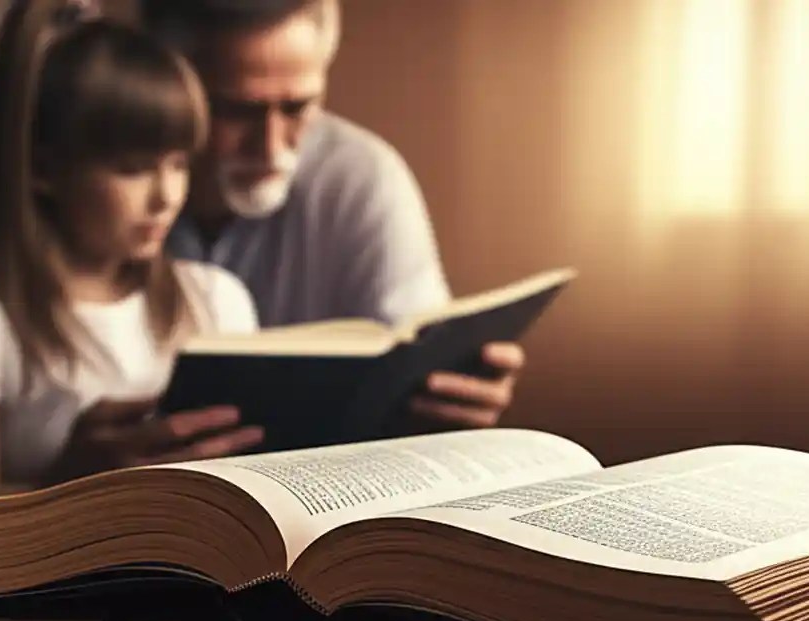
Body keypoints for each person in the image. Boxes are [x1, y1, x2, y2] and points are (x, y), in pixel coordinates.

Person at [0, 0, 265, 486]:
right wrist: (67, 479)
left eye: (179, 164)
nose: (166, 196)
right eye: (133, 169)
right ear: (46, 169)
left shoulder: (218, 302)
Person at [139, 0, 526, 432]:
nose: (271, 148)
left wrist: (455, 395)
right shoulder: (86, 184)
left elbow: (411, 355)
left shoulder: (362, 177)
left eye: (297, 107)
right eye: (235, 111)